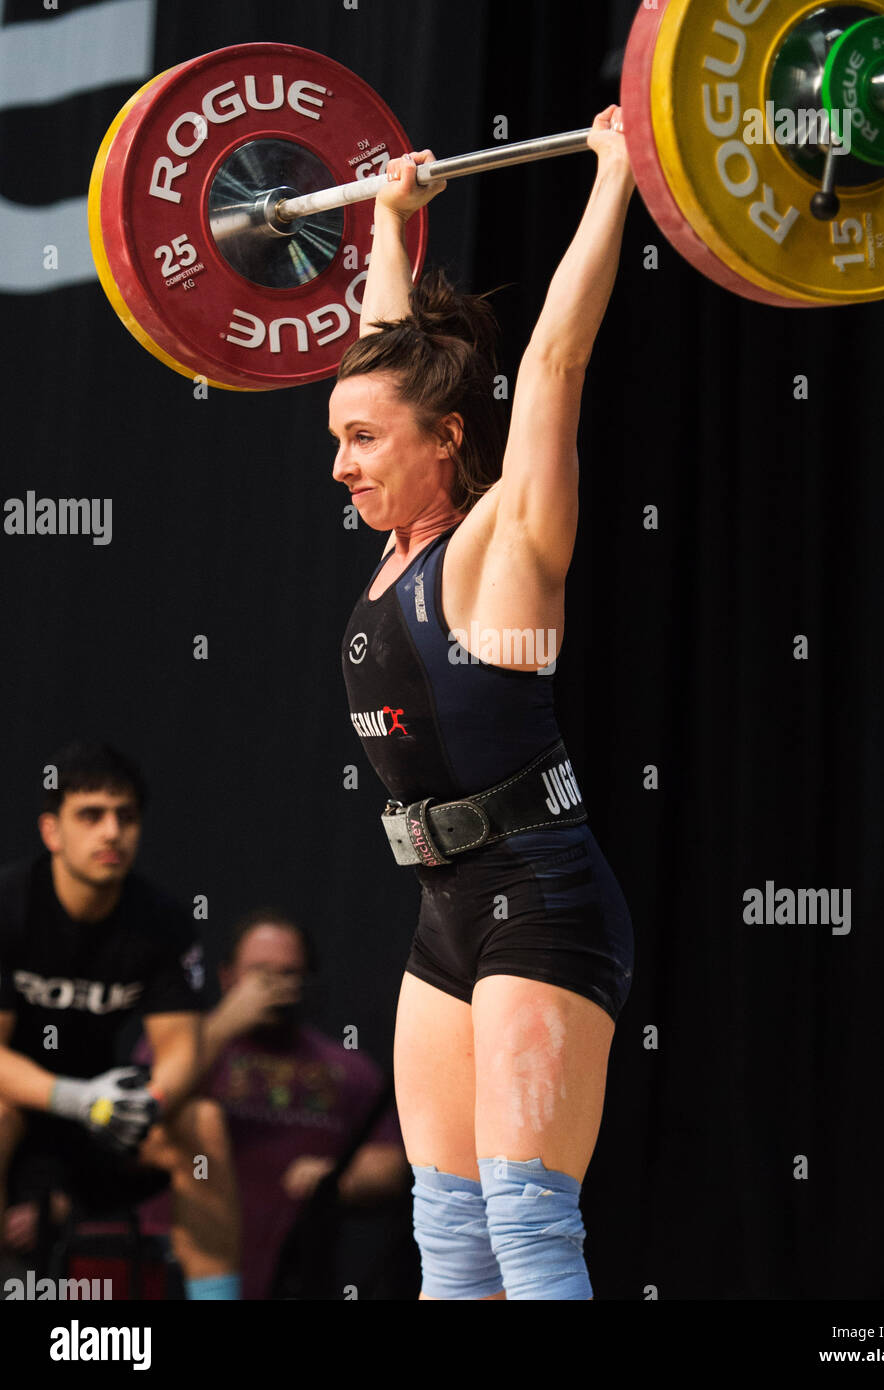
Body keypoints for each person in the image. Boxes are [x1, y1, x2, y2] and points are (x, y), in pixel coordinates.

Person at [328, 105, 636, 1300]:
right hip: (443, 911)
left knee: (526, 1224)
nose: (341, 462)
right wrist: (387, 223)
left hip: (542, 900)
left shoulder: (505, 539)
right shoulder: (396, 545)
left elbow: (555, 359)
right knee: (448, 1238)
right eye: (339, 440)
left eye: (360, 443)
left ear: (445, 442)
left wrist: (615, 174)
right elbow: (387, 364)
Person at [0, 740, 242, 1300]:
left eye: (125, 817)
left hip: (101, 1128)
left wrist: (148, 1104)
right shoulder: (9, 907)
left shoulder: (161, 923)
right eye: (91, 815)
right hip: (31, 1113)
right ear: (51, 832)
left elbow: (182, 1049)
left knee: (200, 1124)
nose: (112, 832)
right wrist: (77, 1097)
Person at [134, 909, 408, 1300]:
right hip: (177, 1272)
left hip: (294, 1278)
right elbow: (140, 1113)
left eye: (288, 973)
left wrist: (339, 1178)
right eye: (259, 973)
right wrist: (226, 1023)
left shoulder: (348, 1068)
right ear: (228, 976)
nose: (274, 986)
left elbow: (392, 1166)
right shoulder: (178, 1048)